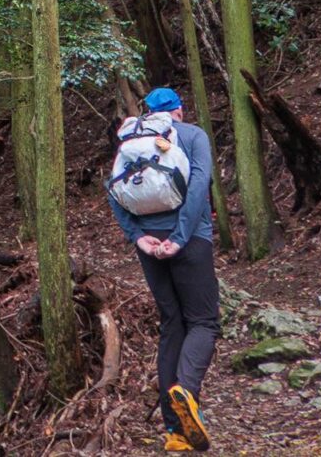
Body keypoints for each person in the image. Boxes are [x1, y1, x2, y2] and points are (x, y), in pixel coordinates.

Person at [109, 86, 218, 452]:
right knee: (203, 321)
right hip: (189, 241)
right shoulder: (192, 136)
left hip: (149, 245)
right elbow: (200, 185)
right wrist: (182, 235)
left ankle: (175, 432)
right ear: (180, 111)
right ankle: (185, 392)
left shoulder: (132, 141)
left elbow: (114, 189)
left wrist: (137, 237)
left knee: (172, 324)